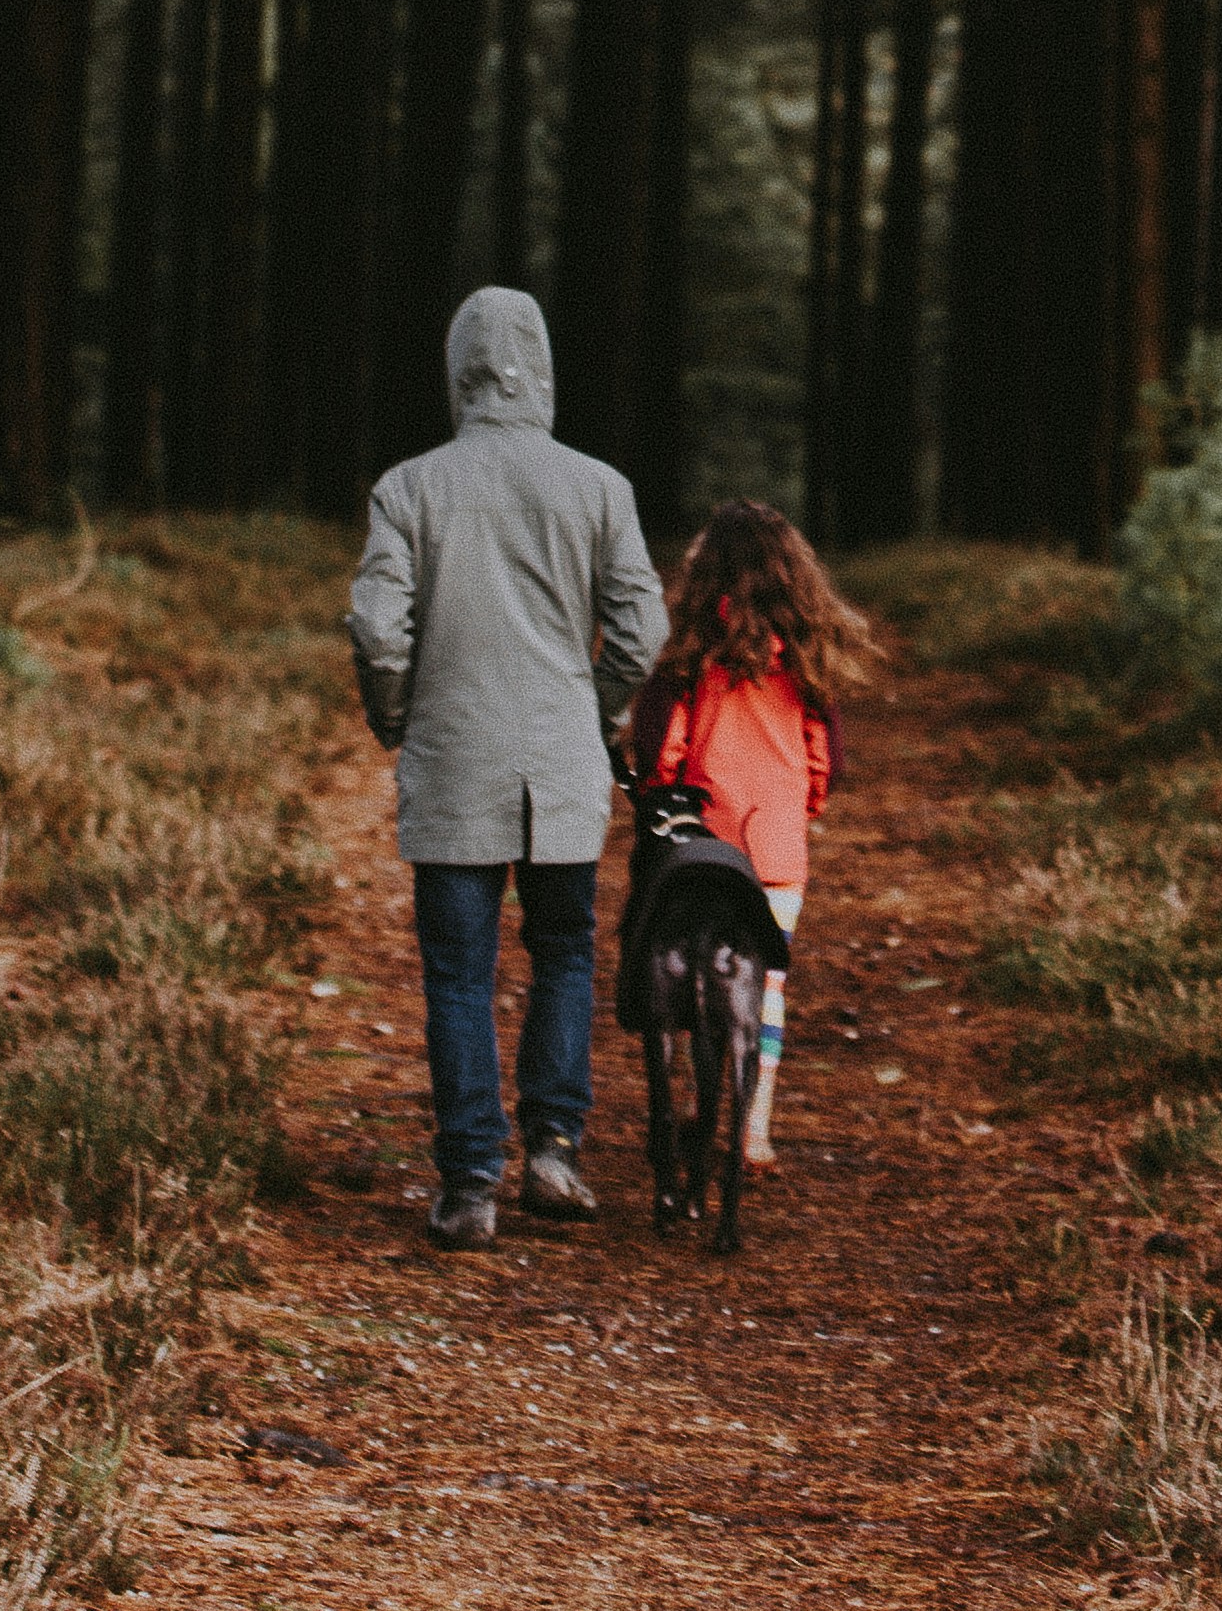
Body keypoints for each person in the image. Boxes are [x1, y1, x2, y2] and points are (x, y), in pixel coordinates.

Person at [346, 286, 664, 1249]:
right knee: (564, 951)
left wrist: (396, 718)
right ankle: (555, 1151)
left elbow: (378, 629)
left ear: (456, 373)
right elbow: (642, 631)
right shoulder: (600, 488)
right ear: (545, 370)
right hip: (564, 765)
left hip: (453, 760)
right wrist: (594, 712)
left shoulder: (408, 489)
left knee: (458, 974)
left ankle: (468, 1184)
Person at [622, 501, 876, 1167]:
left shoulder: (688, 656)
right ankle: (753, 1126)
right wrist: (798, 809)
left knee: (688, 973)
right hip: (777, 852)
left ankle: (691, 1101)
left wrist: (657, 798)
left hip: (697, 848)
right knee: (767, 985)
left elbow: (662, 751)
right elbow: (826, 760)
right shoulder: (806, 662)